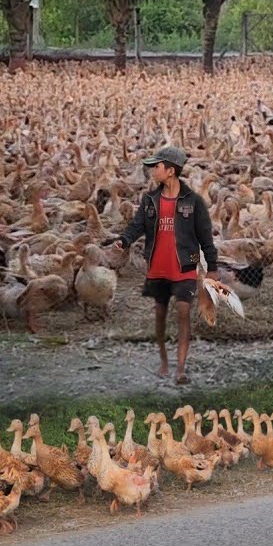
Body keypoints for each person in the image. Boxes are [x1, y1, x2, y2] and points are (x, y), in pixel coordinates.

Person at [104, 146, 218, 386]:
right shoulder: (149, 200)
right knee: (160, 315)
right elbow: (138, 225)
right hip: (157, 266)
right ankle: (164, 361)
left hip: (185, 266)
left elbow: (205, 236)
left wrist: (213, 266)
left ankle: (180, 368)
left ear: (170, 171)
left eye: (156, 167)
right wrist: (124, 240)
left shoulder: (193, 202)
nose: (152, 171)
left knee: (183, 314)